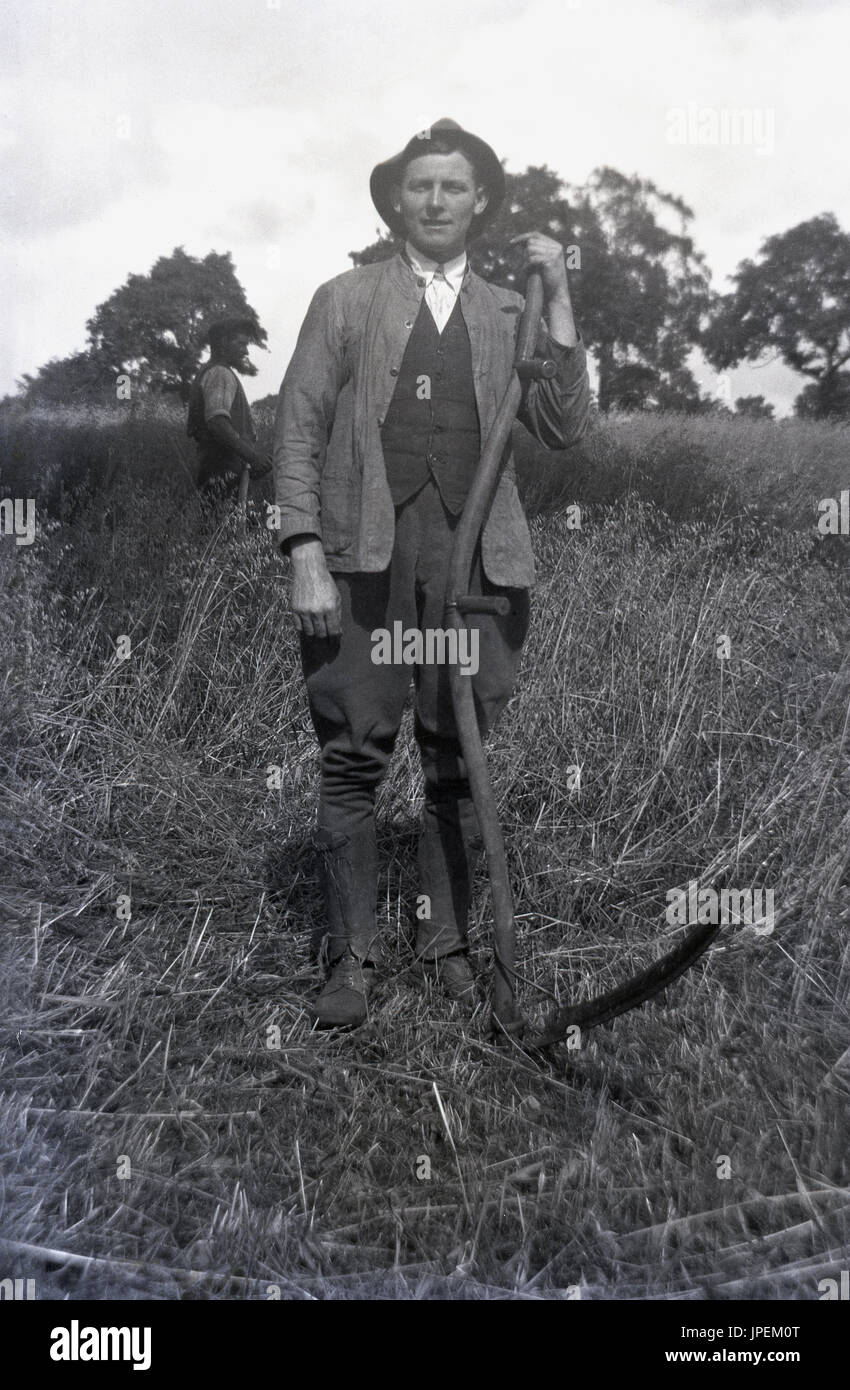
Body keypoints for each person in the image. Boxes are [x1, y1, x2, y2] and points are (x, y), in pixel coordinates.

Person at [274, 118, 591, 1027]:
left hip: (477, 564)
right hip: (363, 557)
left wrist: (560, 295)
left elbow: (567, 426)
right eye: (421, 187)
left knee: (458, 760)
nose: (437, 201)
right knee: (352, 757)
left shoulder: (509, 312)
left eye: (454, 187)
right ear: (396, 200)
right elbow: (296, 427)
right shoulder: (344, 299)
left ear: (480, 201)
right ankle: (351, 960)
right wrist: (302, 550)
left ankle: (448, 947)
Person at [187, 316, 271, 497]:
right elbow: (217, 422)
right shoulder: (220, 373)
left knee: (218, 524)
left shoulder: (211, 371)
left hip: (218, 470)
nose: (246, 351)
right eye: (241, 344)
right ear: (224, 342)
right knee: (223, 523)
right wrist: (253, 457)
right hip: (222, 471)